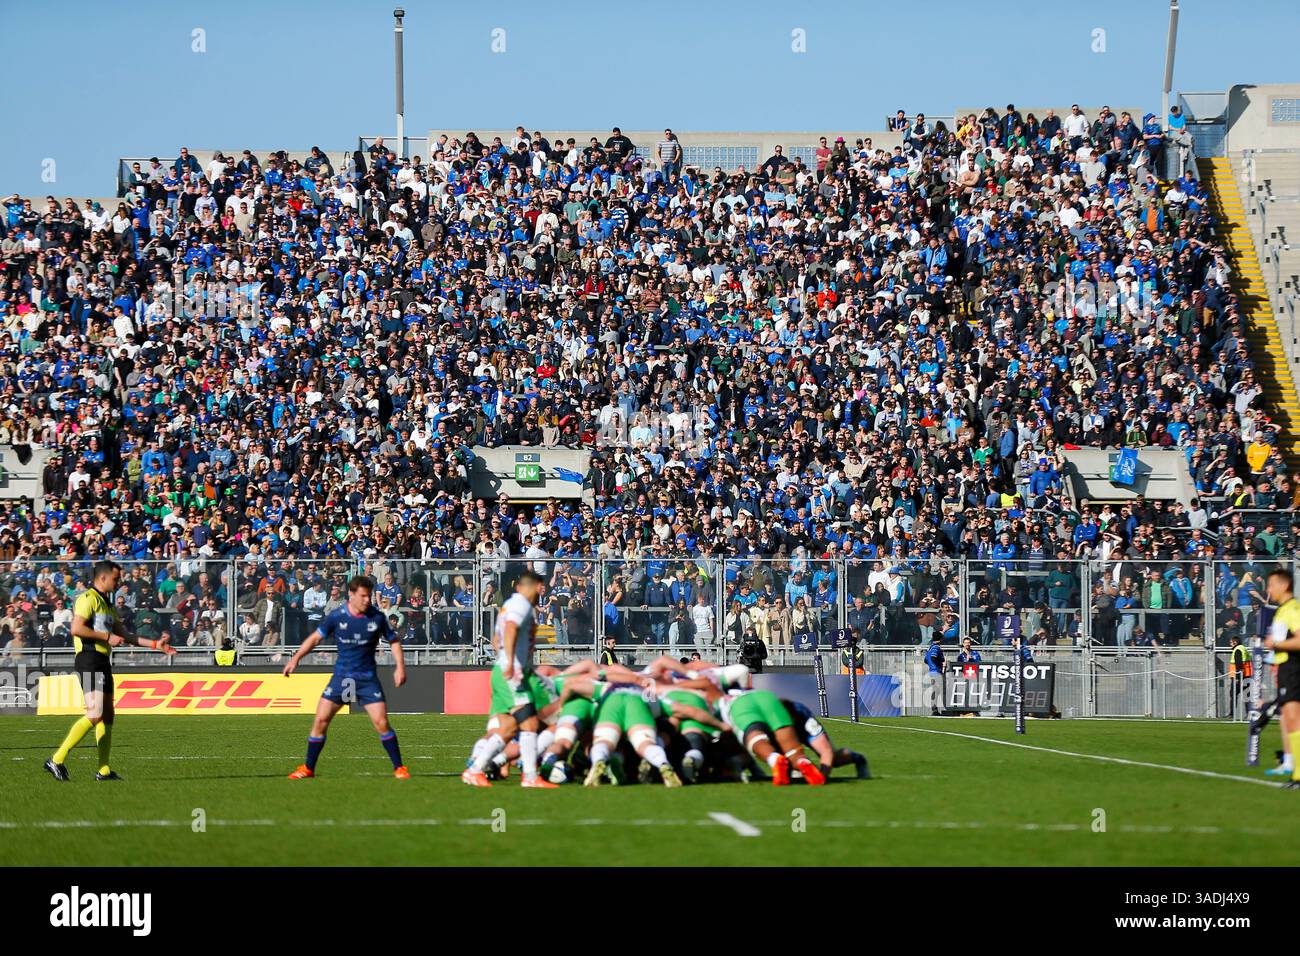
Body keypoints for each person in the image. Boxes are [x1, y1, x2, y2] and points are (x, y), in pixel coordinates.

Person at [44, 560, 177, 782]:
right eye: (116, 578)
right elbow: (76, 629)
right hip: (88, 659)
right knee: (95, 713)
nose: (118, 582)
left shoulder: (106, 603)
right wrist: (107, 637)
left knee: (107, 715)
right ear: (103, 578)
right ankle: (56, 759)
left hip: (102, 660)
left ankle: (103, 770)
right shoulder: (88, 599)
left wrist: (156, 645)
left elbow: (125, 635)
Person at [283, 575, 409, 780]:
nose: (367, 600)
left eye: (369, 596)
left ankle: (399, 768)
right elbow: (316, 638)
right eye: (363, 596)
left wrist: (400, 667)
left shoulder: (376, 617)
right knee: (320, 720)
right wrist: (295, 659)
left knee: (382, 723)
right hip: (341, 678)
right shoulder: (337, 616)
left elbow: (394, 641)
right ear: (351, 595)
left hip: (367, 679)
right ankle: (308, 768)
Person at [462, 570, 557, 788]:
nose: (540, 591)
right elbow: (511, 629)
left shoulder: (511, 605)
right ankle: (531, 777)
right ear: (523, 587)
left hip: (503, 669)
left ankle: (475, 770)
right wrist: (512, 663)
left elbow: (497, 638)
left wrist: (505, 658)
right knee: (530, 723)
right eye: (537, 587)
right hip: (510, 672)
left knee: (508, 728)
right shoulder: (521, 604)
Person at [1261, 568, 1300, 785]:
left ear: (1283, 585)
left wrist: (1275, 644)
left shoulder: (1293, 609)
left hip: (1292, 667)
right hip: (1284, 668)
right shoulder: (1282, 610)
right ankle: (1296, 773)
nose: (1269, 590)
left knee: (1294, 720)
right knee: (1290, 720)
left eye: (1271, 585)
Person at [924, 634, 946, 715]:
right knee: (940, 690)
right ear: (940, 639)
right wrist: (939, 663)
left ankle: (935, 709)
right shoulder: (936, 647)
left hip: (932, 672)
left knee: (936, 690)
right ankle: (936, 709)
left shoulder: (930, 647)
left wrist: (931, 664)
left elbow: (926, 660)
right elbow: (933, 657)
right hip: (936, 672)